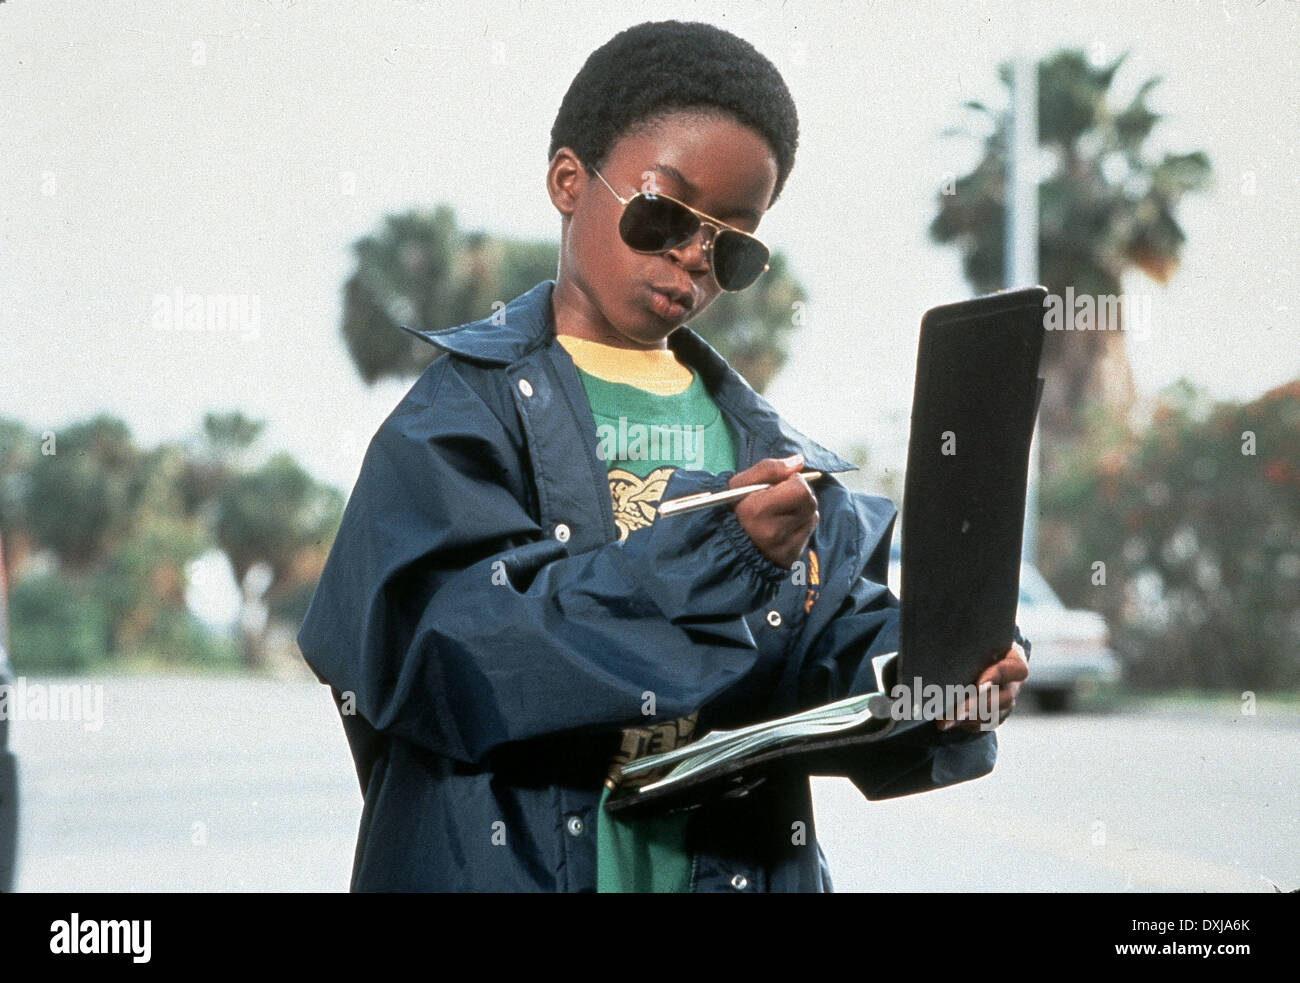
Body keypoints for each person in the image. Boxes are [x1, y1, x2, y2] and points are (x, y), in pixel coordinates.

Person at [297, 19, 1029, 893]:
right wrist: (719, 559)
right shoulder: (458, 417)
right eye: (662, 213)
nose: (692, 255)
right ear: (569, 182)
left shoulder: (766, 446)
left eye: (734, 245)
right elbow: (457, 655)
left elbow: (817, 647)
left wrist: (934, 678)